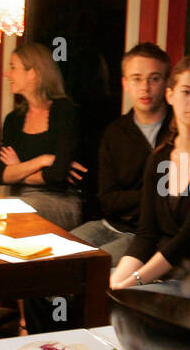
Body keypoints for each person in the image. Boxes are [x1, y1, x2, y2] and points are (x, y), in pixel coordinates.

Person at [111, 56, 190, 295]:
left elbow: (189, 238)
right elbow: (146, 234)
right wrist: (117, 281)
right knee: (100, 283)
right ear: (170, 96)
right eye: (186, 92)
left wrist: (133, 282)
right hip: (161, 273)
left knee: (130, 296)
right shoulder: (160, 158)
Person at [72, 42, 172, 263]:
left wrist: (130, 200)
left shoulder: (179, 131)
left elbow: (175, 202)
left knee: (92, 267)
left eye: (154, 79)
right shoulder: (115, 132)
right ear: (125, 84)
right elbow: (107, 199)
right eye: (137, 79)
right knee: (53, 257)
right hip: (109, 224)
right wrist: (151, 196)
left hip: (147, 235)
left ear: (166, 83)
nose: (145, 88)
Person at [0, 41, 83, 230]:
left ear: (32, 73)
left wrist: (18, 170)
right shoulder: (13, 119)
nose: (7, 74)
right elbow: (1, 175)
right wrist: (42, 160)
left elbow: (57, 175)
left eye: (13, 67)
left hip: (62, 201)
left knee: (8, 214)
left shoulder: (65, 111)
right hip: (21, 198)